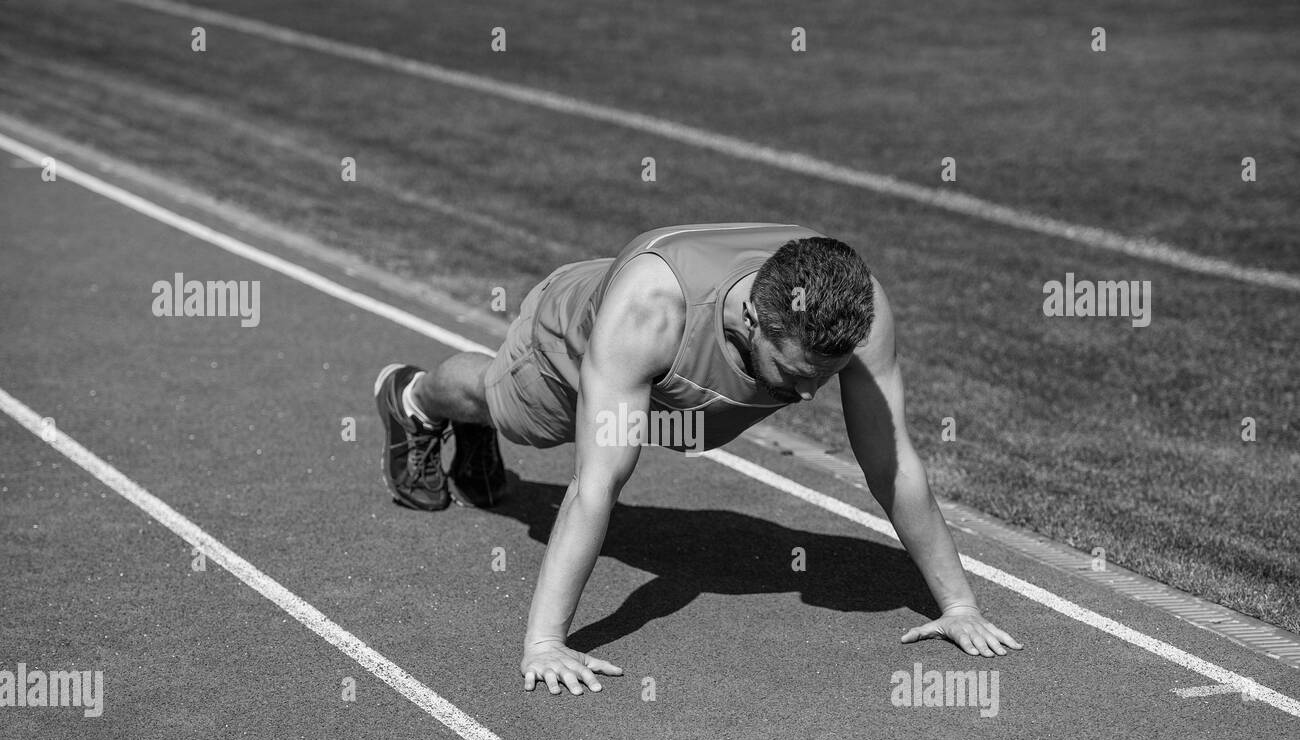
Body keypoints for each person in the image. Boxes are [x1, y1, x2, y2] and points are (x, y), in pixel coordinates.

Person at [375, 223, 1022, 695]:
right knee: (508, 413)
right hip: (570, 346)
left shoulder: (855, 311)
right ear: (747, 321)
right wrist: (546, 642)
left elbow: (893, 463)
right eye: (792, 375)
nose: (804, 395)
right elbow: (596, 486)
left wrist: (958, 602)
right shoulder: (649, 315)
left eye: (822, 377)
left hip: (680, 389)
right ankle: (416, 399)